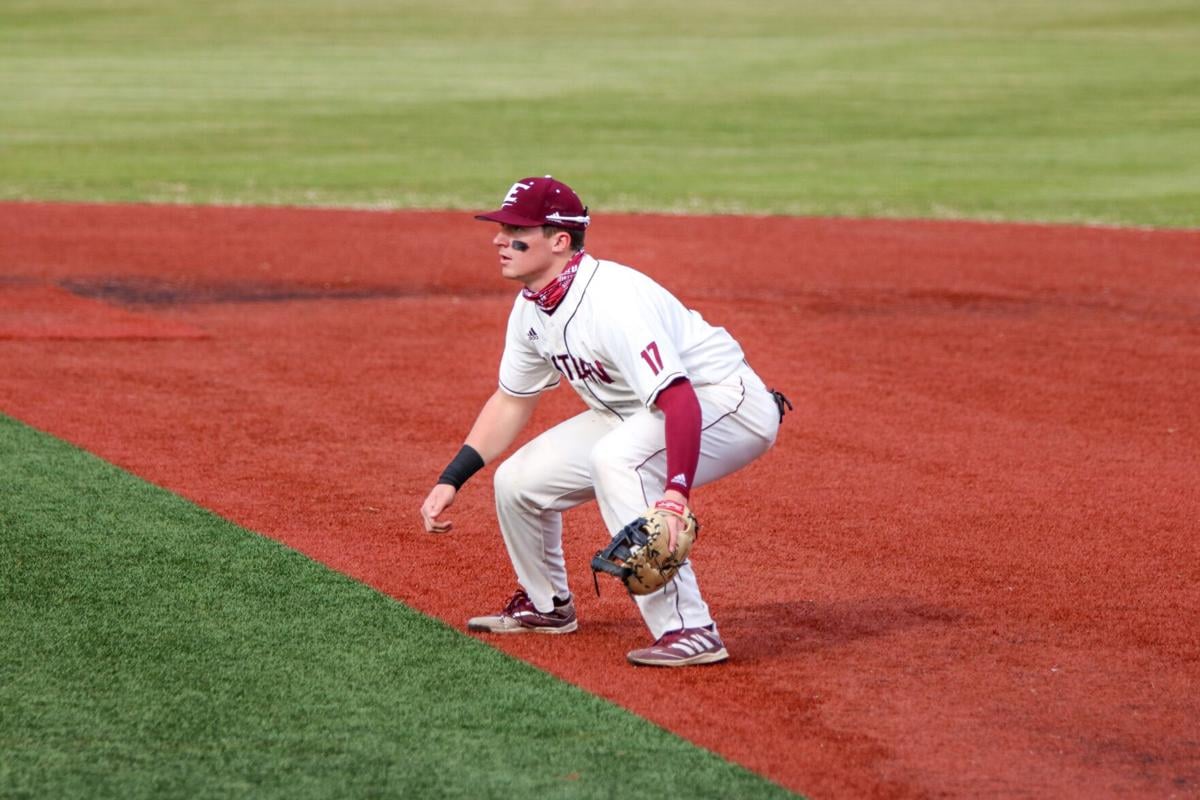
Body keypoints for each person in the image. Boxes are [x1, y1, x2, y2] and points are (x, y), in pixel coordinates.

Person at [419, 176, 788, 667]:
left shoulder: (611, 300)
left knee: (618, 460)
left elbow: (678, 399)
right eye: (501, 228)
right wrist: (453, 478)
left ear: (560, 240)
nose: (499, 240)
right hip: (639, 411)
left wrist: (675, 495)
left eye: (515, 230)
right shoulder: (531, 308)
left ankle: (690, 627)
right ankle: (547, 605)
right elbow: (511, 401)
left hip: (722, 403)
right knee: (517, 482)